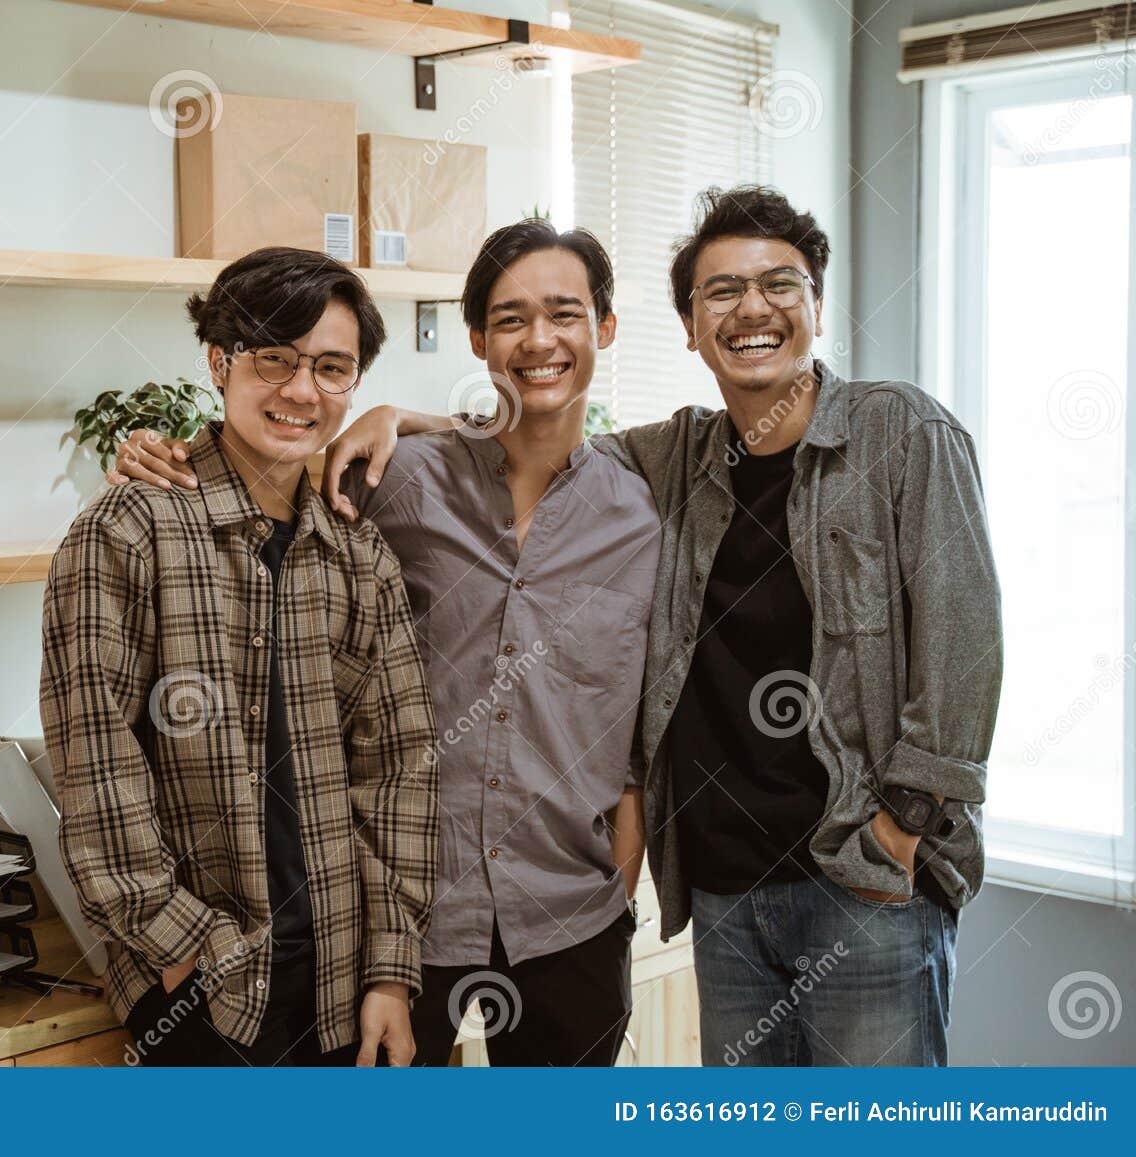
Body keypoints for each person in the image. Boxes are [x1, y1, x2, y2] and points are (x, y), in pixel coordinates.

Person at [312, 186, 1004, 1067]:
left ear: (816, 306)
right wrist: (398, 417)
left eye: (778, 285)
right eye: (721, 292)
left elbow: (966, 645)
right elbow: (534, 434)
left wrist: (902, 827)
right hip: (722, 892)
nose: (752, 308)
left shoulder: (900, 434)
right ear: (688, 325)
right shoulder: (674, 460)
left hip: (863, 883)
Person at [107, 221, 659, 1066]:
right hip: (399, 931)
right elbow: (266, 462)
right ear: (477, 338)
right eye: (510, 318)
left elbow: (639, 739)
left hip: (570, 918)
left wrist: (618, 889)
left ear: (606, 328)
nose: (539, 339)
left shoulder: (648, 510)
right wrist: (161, 452)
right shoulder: (387, 481)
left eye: (565, 314)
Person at [40, 246, 439, 1066]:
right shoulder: (127, 531)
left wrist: (392, 971)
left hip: (346, 986)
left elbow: (399, 766)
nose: (301, 391)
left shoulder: (359, 555)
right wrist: (187, 954)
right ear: (220, 363)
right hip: (197, 992)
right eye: (274, 359)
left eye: (332, 368)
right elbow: (97, 765)